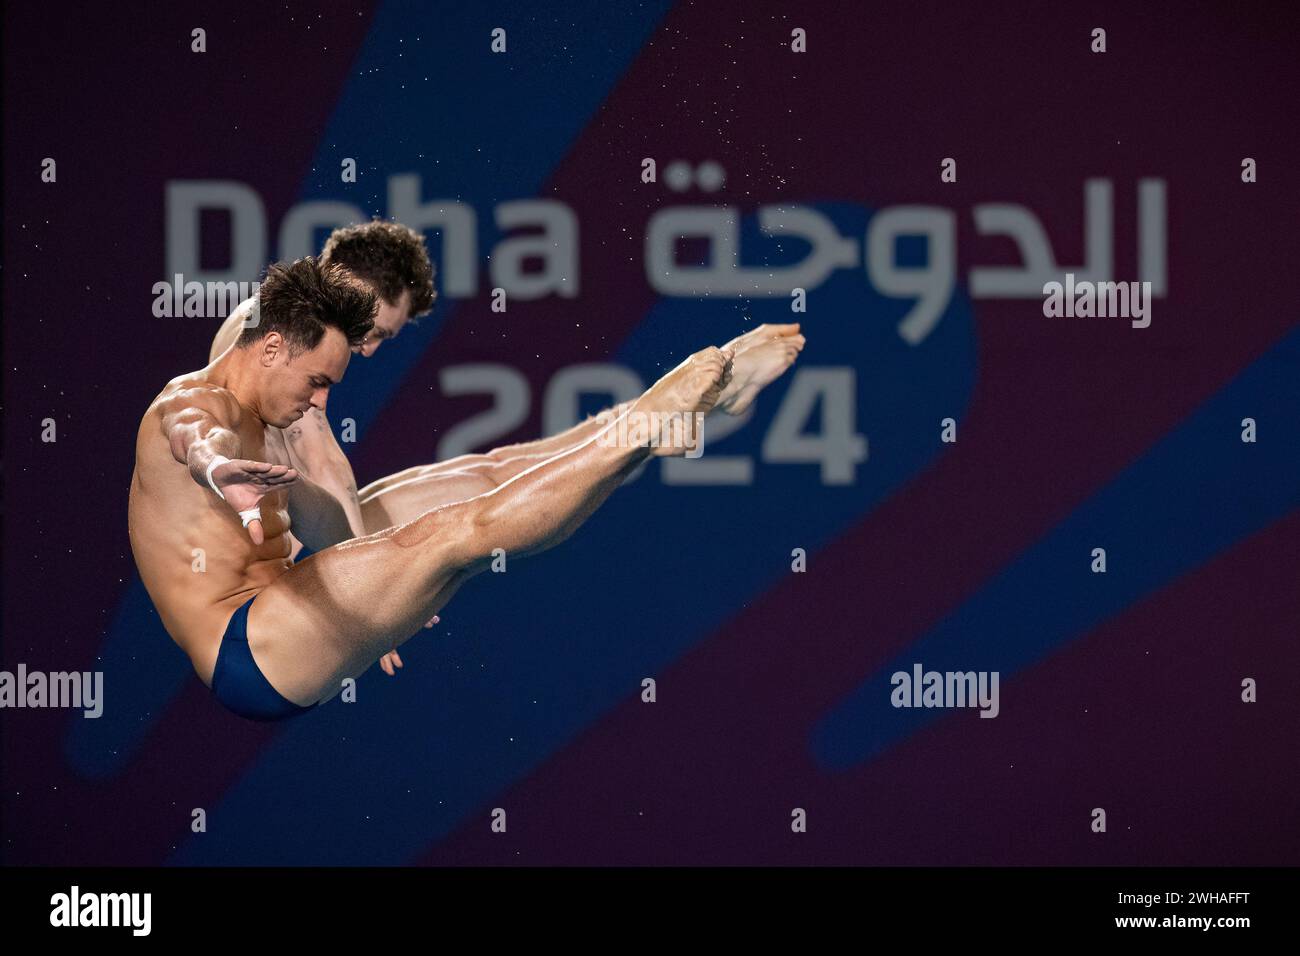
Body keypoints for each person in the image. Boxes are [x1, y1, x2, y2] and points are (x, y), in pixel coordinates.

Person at [130, 256, 745, 721]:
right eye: (317, 382)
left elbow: (328, 523)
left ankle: (635, 440)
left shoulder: (269, 420)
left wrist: (376, 599)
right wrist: (217, 470)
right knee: (458, 532)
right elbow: (193, 436)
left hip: (287, 609)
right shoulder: (191, 404)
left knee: (464, 527)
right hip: (248, 649)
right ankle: (638, 427)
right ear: (269, 348)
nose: (321, 402)